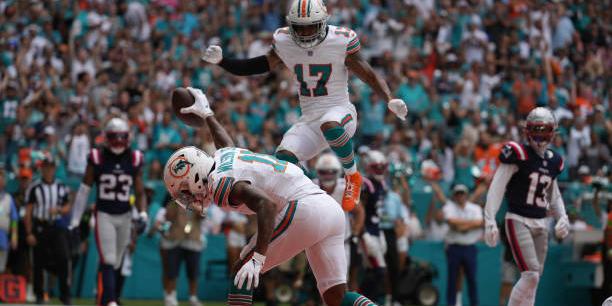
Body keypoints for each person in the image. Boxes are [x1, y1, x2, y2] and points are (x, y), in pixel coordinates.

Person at [163, 87, 379, 306]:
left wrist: (258, 257)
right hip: (329, 209)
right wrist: (207, 114)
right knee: (337, 297)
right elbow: (224, 142)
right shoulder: (224, 157)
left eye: (186, 191)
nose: (189, 198)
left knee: (241, 274)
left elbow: (265, 205)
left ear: (197, 176)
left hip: (304, 208)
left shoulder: (220, 185)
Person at [200, 0, 408, 212]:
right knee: (284, 159)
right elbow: (258, 66)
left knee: (329, 124)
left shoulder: (340, 40)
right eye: (300, 27)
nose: (306, 32)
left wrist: (389, 98)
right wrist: (223, 62)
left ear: (323, 22)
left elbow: (368, 74)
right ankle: (315, 195)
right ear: (291, 25)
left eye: (311, 25)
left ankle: (352, 175)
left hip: (340, 112)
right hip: (309, 119)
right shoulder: (284, 41)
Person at [483, 107, 570, 306]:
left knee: (534, 278)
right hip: (518, 219)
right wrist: (489, 219)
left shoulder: (554, 161)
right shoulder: (518, 153)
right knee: (530, 275)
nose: (539, 135)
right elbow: (497, 186)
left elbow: (553, 194)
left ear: (552, 131)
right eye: (536, 129)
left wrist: (562, 217)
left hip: (541, 222)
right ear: (527, 131)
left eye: (544, 129)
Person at [70, 118, 147, 306]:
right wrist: (75, 220)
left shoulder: (134, 158)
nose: (119, 141)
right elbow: (84, 190)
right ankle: (111, 300)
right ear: (107, 137)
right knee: (109, 259)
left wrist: (143, 214)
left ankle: (104, 300)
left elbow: (139, 191)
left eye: (123, 136)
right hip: (104, 214)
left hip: (125, 215)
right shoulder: (97, 157)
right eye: (115, 136)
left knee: (117, 261)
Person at [24, 155, 72, 305]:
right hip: (40, 226)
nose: (48, 170)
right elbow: (29, 211)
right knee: (38, 261)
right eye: (46, 167)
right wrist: (29, 232)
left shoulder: (60, 186)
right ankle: (39, 295)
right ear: (42, 169)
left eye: (51, 167)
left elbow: (67, 206)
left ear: (54, 169)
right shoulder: (35, 187)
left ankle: (65, 295)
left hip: (56, 227)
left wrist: (58, 210)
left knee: (63, 258)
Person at [430, 182, 483, 306]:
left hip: (469, 246)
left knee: (472, 279)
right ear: (454, 195)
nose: (460, 196)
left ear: (466, 195)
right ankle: (451, 304)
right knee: (452, 278)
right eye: (458, 194)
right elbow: (451, 222)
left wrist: (461, 226)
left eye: (462, 194)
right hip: (454, 247)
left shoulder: (474, 208)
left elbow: (479, 222)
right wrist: (469, 224)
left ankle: (474, 304)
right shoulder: (449, 207)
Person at [358, 150, 389, 302]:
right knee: (379, 271)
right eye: (377, 167)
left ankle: (365, 300)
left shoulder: (381, 183)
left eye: (383, 167)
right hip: (367, 231)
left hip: (376, 229)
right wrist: (362, 233)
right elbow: (360, 211)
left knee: (372, 271)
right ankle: (364, 300)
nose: (381, 170)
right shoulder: (366, 184)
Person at [161, 199, 205, 306]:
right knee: (172, 271)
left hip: (193, 240)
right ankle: (171, 296)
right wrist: (176, 204)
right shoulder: (174, 201)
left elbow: (203, 216)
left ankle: (193, 297)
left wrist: (196, 208)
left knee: (193, 273)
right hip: (176, 240)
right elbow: (168, 217)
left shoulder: (199, 202)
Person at [0, 168, 18, 273]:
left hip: (3, 238)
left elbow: (14, 220)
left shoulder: (8, 198)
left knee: (1, 268)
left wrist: (14, 237)